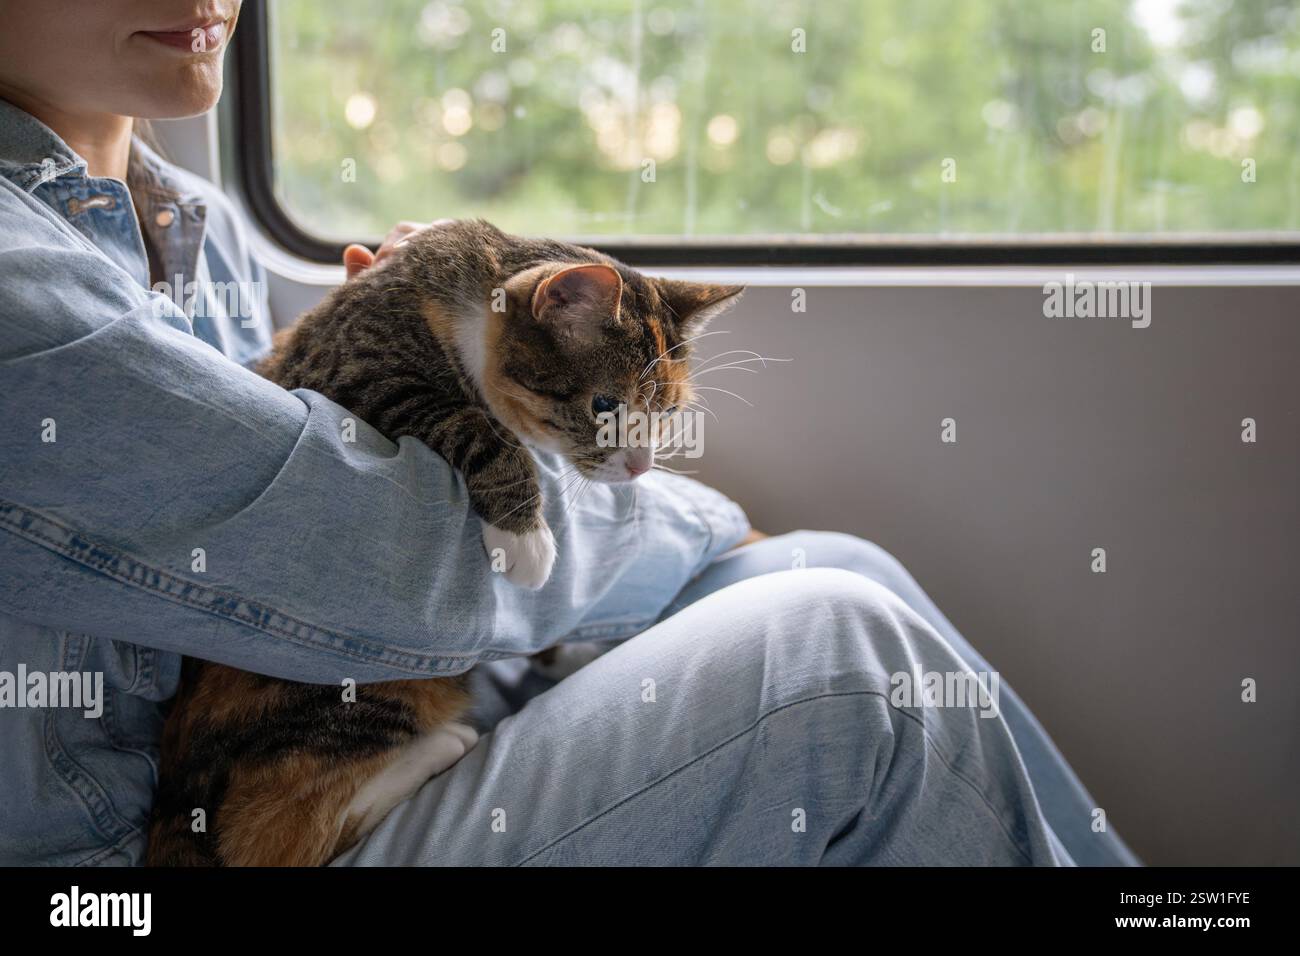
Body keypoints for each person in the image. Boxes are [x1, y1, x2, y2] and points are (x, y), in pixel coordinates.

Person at [0, 0, 1136, 866]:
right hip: (154, 852)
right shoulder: (19, 290)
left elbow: (273, 491)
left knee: (832, 564)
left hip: (301, 719)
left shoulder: (196, 223)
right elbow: (393, 568)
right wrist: (684, 513)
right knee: (839, 655)